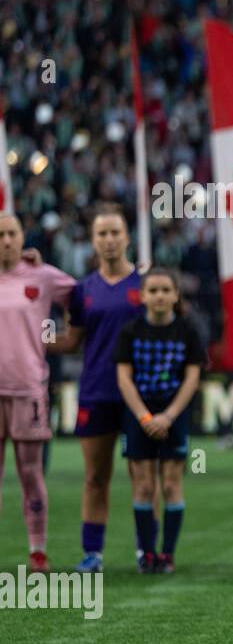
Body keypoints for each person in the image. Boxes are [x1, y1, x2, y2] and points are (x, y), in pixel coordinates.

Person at [49, 205, 145, 574]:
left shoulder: (144, 285)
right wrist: (31, 339)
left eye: (115, 233)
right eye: (102, 234)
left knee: (142, 474)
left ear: (127, 237)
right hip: (96, 391)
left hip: (140, 394)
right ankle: (93, 554)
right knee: (94, 477)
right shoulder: (82, 290)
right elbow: (72, 341)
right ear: (92, 241)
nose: (109, 240)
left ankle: (146, 551)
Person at [112, 268, 204, 573]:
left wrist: (168, 416)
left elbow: (191, 379)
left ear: (176, 295)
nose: (160, 296)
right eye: (153, 290)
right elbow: (124, 378)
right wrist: (144, 416)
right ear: (143, 295)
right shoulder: (130, 330)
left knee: (171, 484)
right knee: (143, 487)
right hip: (139, 414)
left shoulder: (189, 331)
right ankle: (147, 554)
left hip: (173, 414)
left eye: (166, 290)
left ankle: (167, 554)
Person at [0, 213, 75, 572]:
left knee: (30, 473)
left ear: (21, 237)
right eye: (0, 235)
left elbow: (81, 297)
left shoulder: (42, 277)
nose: (6, 241)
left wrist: (67, 339)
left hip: (28, 388)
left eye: (11, 234)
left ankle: (37, 551)